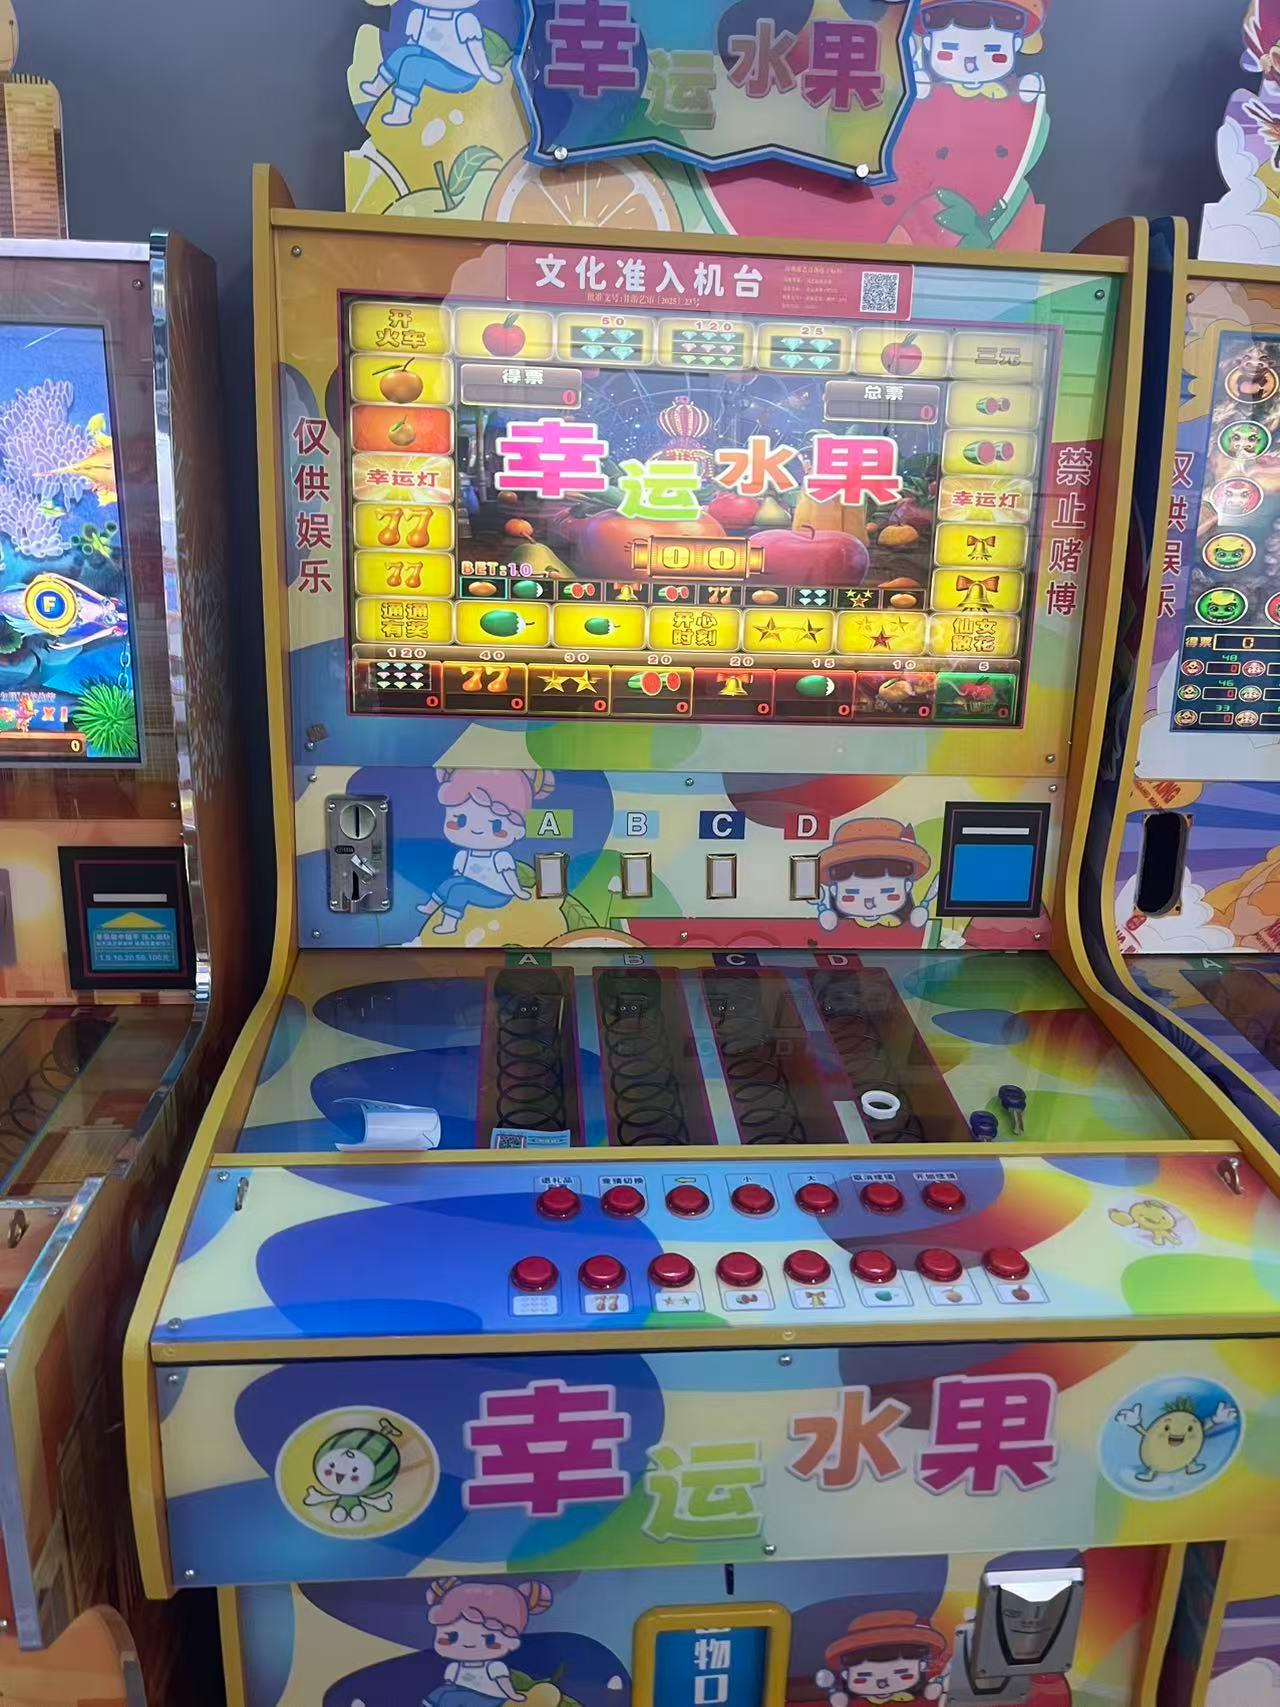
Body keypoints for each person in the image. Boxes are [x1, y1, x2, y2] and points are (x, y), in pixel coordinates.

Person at [360, 2, 503, 127]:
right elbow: (413, 45)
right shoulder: (420, 16)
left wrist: (486, 72)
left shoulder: (464, 20)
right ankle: (378, 86)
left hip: (461, 74)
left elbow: (476, 49)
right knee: (403, 53)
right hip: (434, 60)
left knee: (413, 65)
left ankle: (401, 113)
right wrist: (406, 55)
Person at [422, 1578, 553, 1706]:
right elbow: (449, 1686)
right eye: (452, 1637)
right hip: (460, 1697)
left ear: (512, 1642)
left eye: (488, 1639)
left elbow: (504, 1684)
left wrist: (513, 1696)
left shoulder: (494, 1667)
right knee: (444, 1694)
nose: (469, 1644)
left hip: (489, 1700)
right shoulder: (454, 1668)